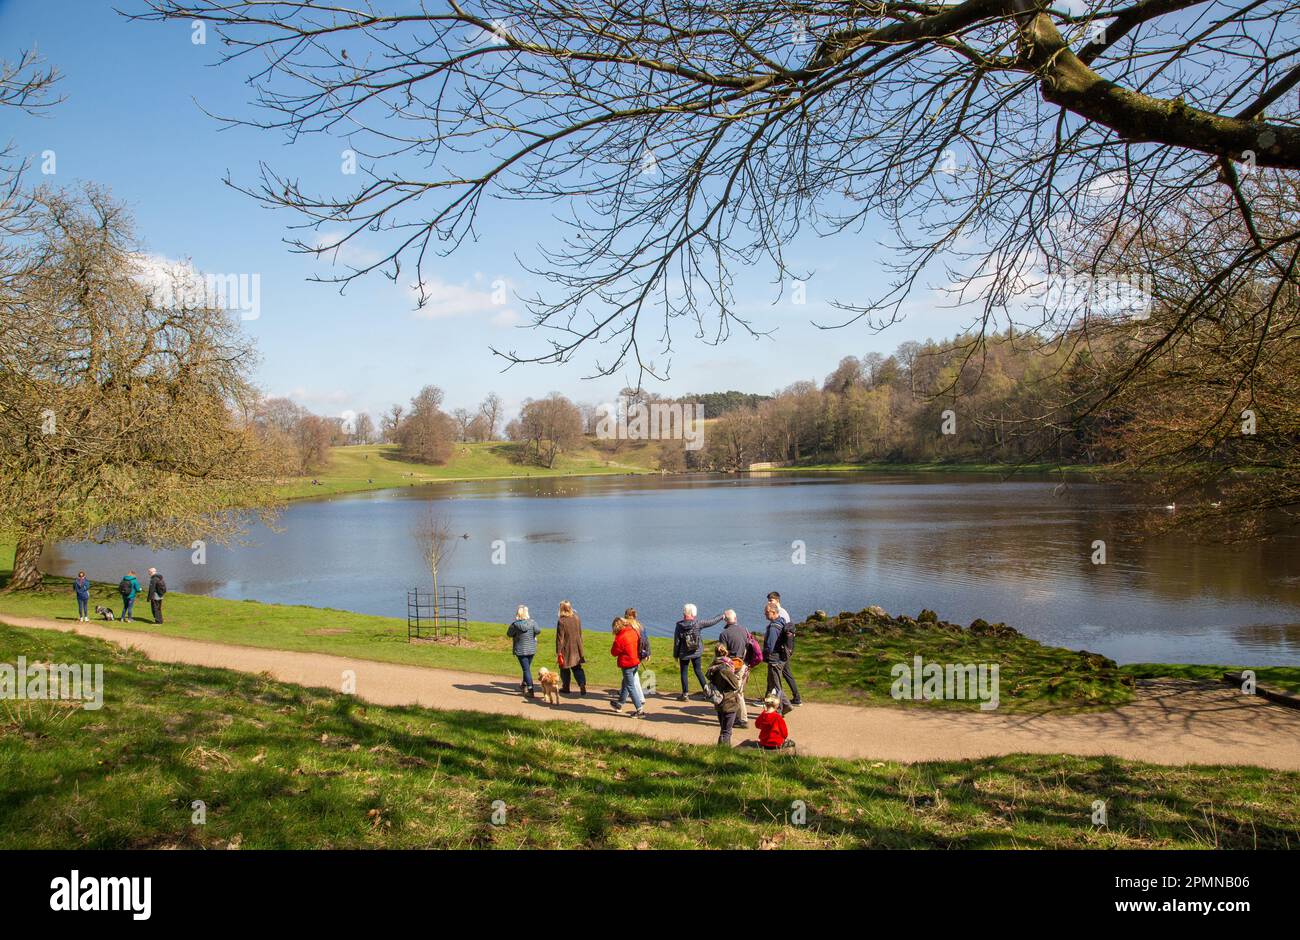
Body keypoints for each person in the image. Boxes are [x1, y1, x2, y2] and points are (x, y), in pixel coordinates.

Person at [674, 603, 724, 701]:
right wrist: (721, 616)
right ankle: (708, 693)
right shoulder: (698, 624)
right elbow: (711, 622)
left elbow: (677, 641)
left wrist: (675, 654)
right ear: (693, 614)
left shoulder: (679, 626)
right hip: (696, 652)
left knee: (684, 672)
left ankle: (685, 695)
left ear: (684, 613)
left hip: (684, 654)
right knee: (698, 671)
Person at [717, 610, 753, 727]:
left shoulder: (724, 634)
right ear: (735, 618)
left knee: (735, 692)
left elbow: (722, 653)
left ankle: (742, 719)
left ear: (725, 620)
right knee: (738, 691)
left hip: (731, 666)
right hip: (743, 664)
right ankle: (736, 717)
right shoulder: (744, 631)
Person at [763, 601, 801, 708]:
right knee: (770, 685)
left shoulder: (774, 628)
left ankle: (784, 707)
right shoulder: (782, 621)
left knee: (776, 686)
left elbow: (770, 647)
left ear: (774, 612)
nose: (765, 615)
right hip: (780, 659)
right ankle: (768, 708)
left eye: (767, 613)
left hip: (775, 660)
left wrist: (761, 655)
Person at [705, 644, 743, 746]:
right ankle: (724, 750)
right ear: (726, 653)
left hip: (719, 701)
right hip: (729, 701)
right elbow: (735, 685)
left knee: (723, 729)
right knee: (727, 731)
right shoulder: (725, 668)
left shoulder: (713, 667)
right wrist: (739, 678)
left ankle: (721, 749)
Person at [609, 617, 646, 717]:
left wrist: (615, 640)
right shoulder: (633, 631)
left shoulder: (620, 638)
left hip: (627, 664)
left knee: (630, 686)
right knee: (625, 682)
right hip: (636, 662)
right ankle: (620, 704)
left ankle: (640, 710)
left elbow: (613, 652)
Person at [507, 605, 541, 698]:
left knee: (526, 669)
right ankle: (524, 685)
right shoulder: (532, 622)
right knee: (526, 668)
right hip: (531, 649)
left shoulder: (515, 625)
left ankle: (530, 689)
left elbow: (509, 634)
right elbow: (538, 631)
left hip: (520, 649)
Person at [555, 600, 586, 695]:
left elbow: (560, 638)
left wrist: (558, 652)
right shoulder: (576, 617)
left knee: (564, 669)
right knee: (577, 667)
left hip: (566, 648)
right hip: (577, 647)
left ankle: (566, 687)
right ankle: (582, 684)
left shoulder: (562, 621)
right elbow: (580, 633)